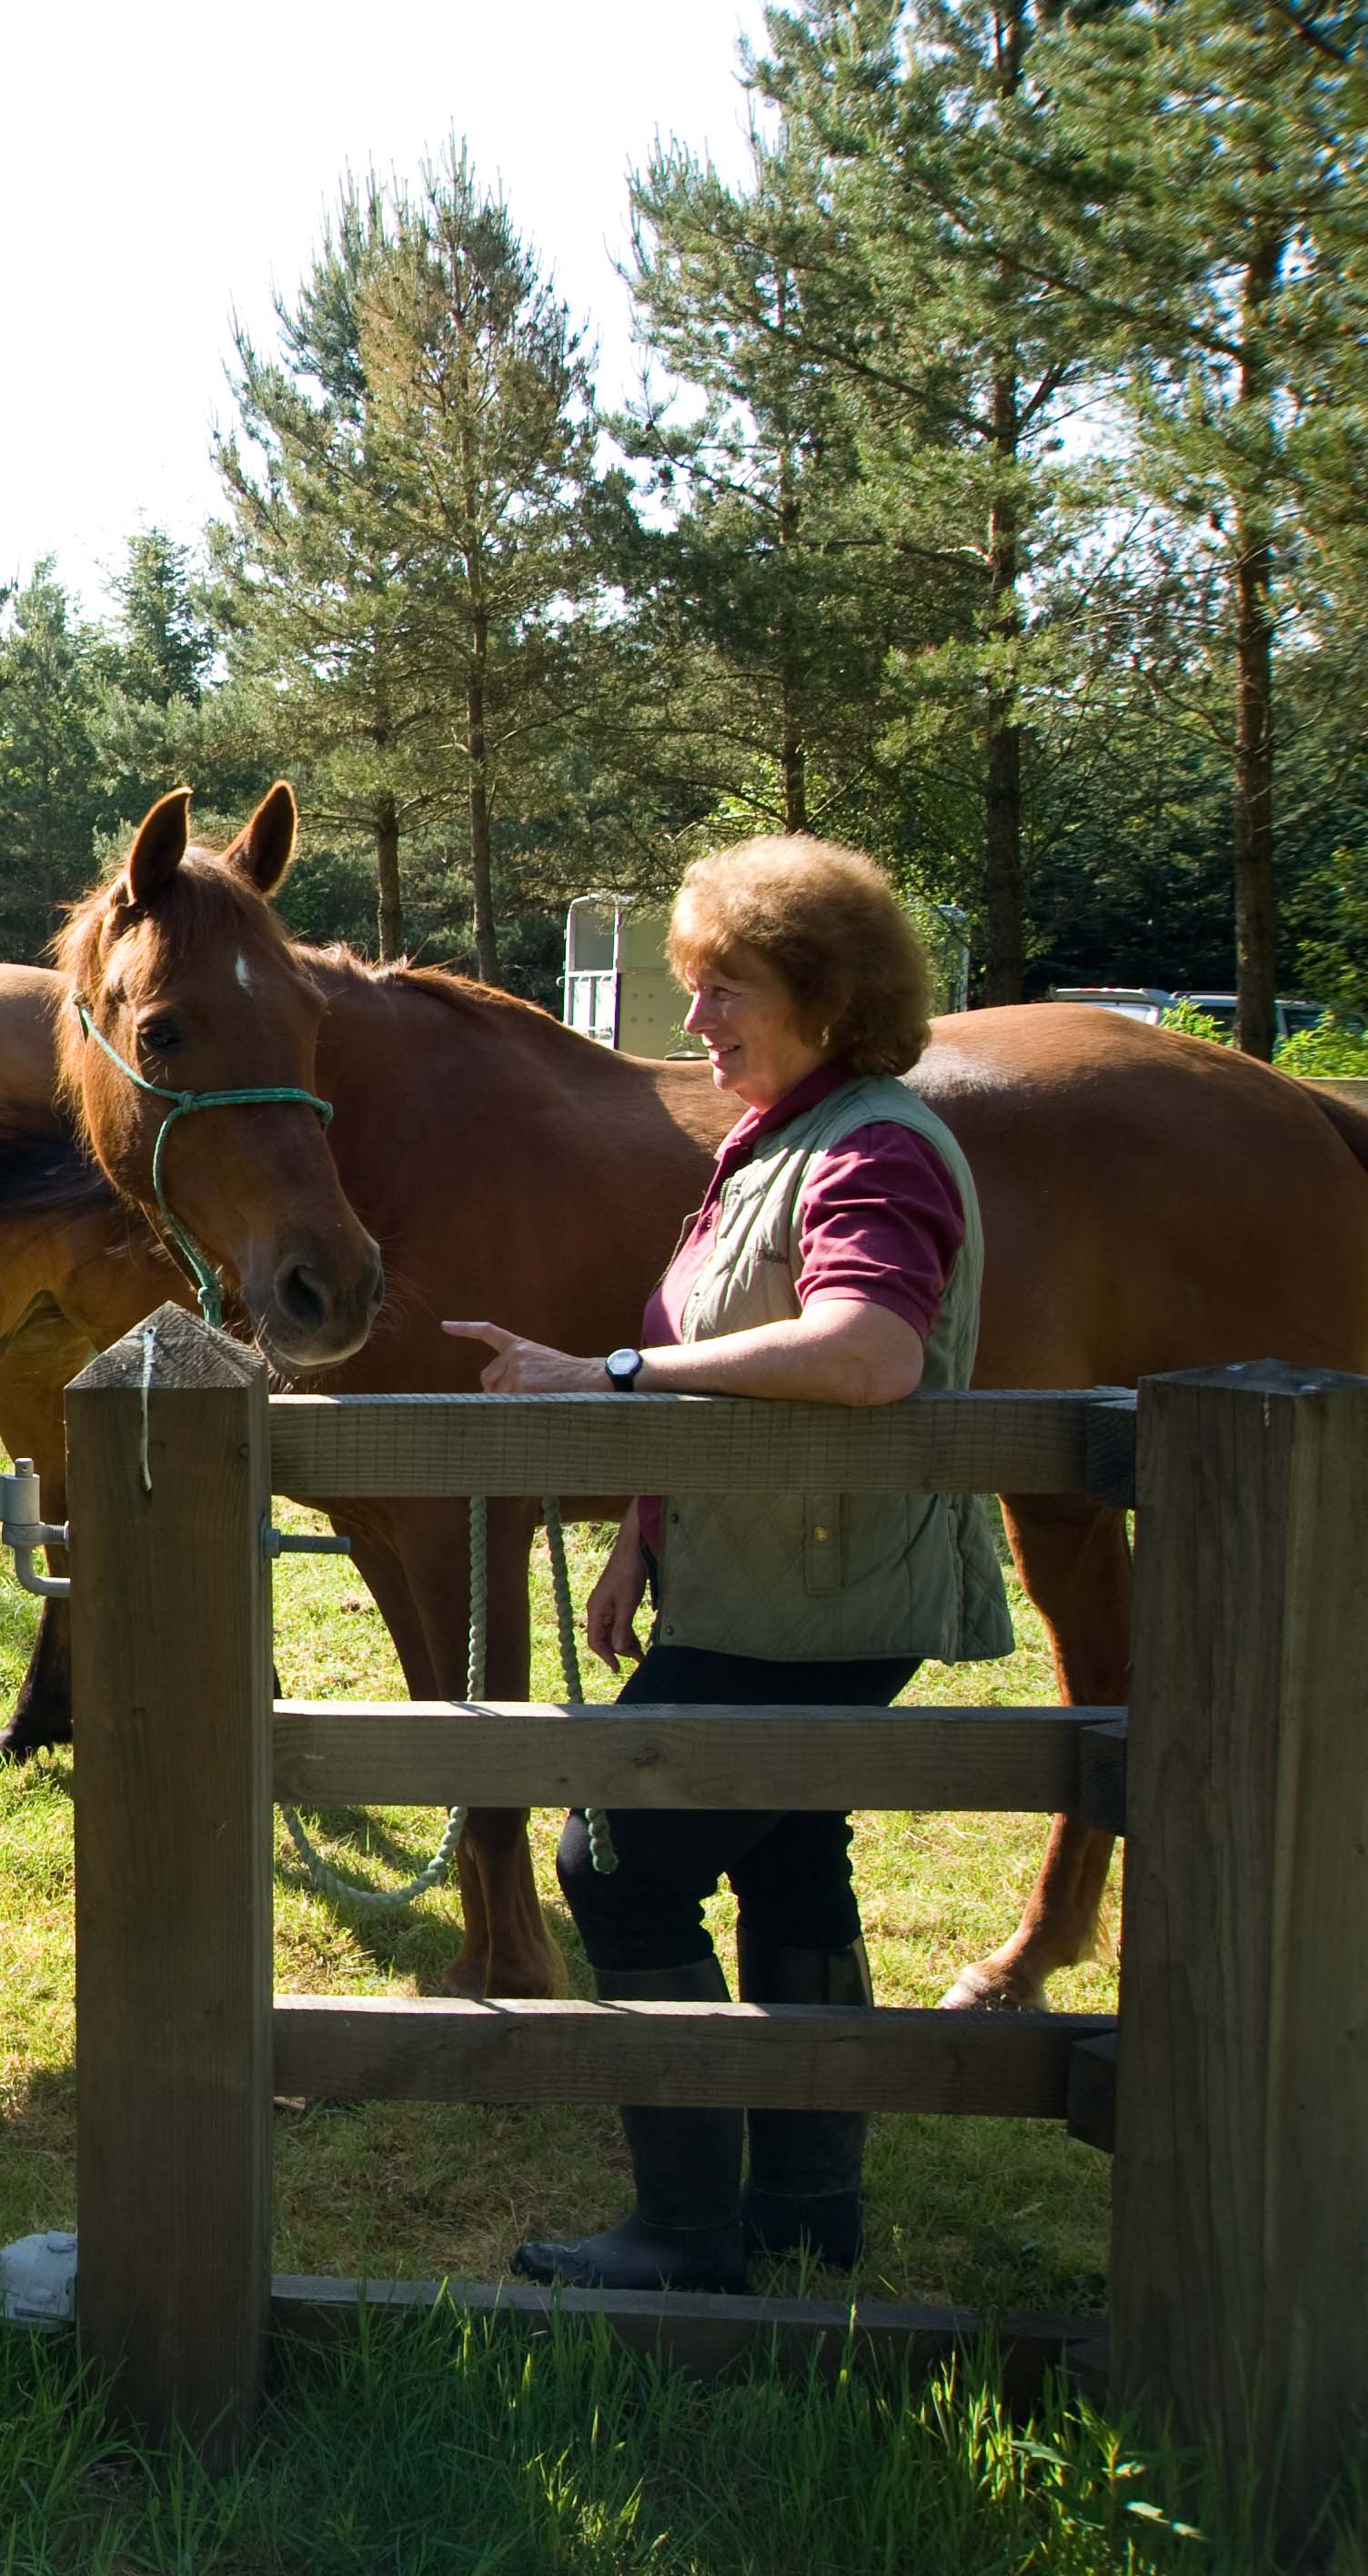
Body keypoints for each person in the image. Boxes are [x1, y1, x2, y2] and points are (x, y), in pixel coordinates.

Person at [444, 836, 1011, 2292]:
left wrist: (607, 1372)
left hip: (814, 1595)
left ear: (825, 994)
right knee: (788, 1848)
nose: (693, 1026)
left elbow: (869, 1352)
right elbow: (728, 1364)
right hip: (777, 1580)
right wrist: (646, 1532)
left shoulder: (873, 1145)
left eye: (725, 992)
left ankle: (688, 2231)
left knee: (614, 1860)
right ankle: (808, 2203)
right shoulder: (783, 1141)